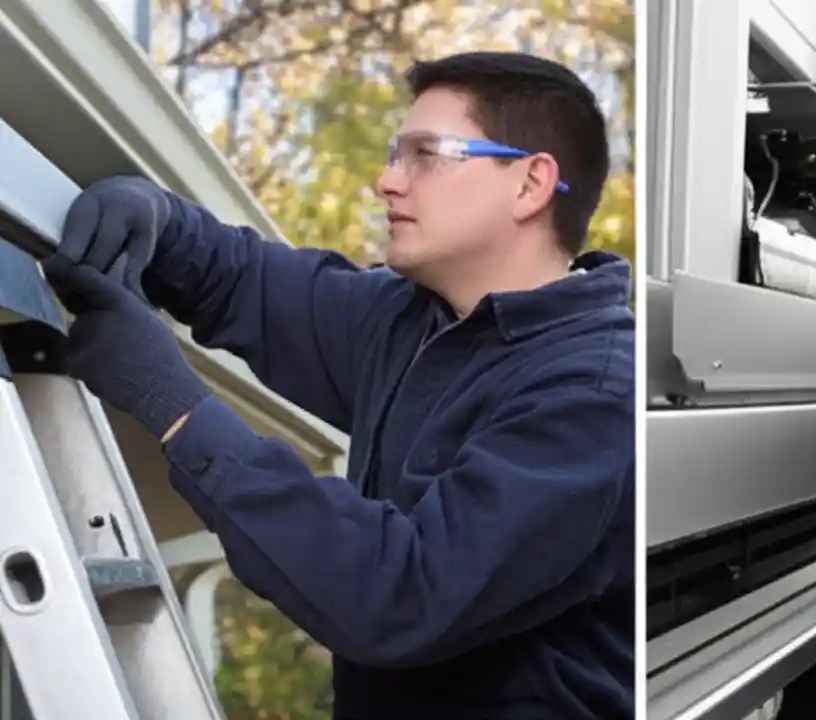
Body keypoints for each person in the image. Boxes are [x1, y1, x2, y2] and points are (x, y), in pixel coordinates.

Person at [41, 50, 635, 720]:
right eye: (392, 153)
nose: (387, 180)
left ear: (530, 184)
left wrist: (173, 408)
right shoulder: (411, 322)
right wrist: (160, 217)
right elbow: (245, 281)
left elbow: (405, 597)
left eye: (426, 154)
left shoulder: (595, 394)